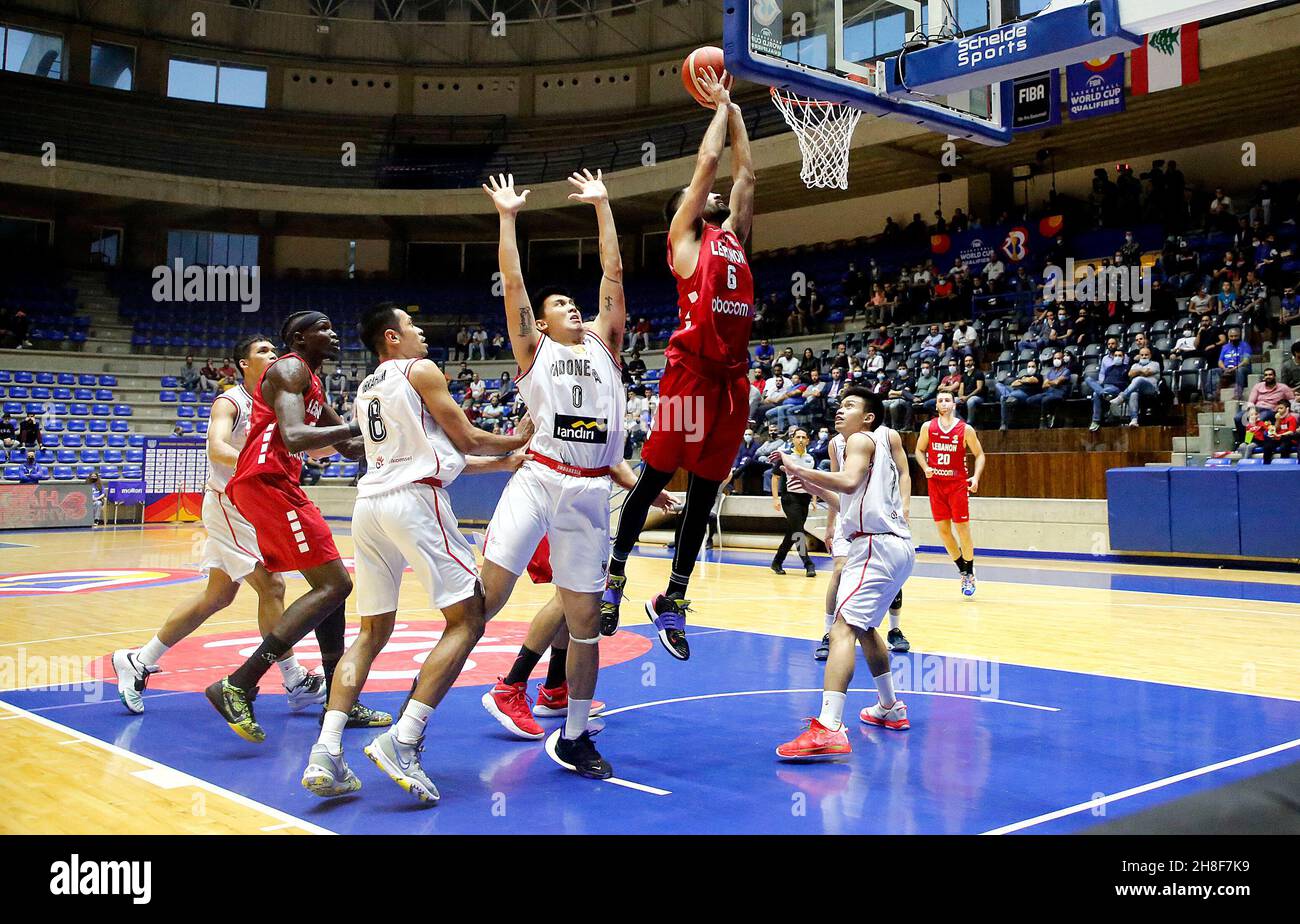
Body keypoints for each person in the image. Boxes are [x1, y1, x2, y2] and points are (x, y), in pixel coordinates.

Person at [300, 303, 535, 800]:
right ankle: (403, 741)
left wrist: (504, 462)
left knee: (371, 632)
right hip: (414, 502)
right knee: (468, 618)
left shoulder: (367, 388)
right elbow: (467, 436)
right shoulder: (421, 369)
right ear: (391, 336)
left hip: (370, 505)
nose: (421, 331)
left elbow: (438, 454)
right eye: (412, 325)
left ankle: (326, 750)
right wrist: (520, 438)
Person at [602, 67, 754, 661]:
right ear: (685, 214)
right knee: (656, 478)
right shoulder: (684, 240)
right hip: (691, 372)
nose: (714, 199)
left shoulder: (736, 237)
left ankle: (674, 597)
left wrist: (735, 109)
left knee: (707, 493)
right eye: (703, 201)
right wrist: (716, 107)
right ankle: (615, 576)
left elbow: (744, 172)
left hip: (733, 382)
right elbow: (709, 168)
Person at [479, 167, 627, 779]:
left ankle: (572, 735)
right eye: (560, 304)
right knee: (484, 600)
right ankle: (423, 705)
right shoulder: (535, 350)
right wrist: (508, 218)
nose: (573, 308)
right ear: (541, 323)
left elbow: (612, 275)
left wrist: (602, 206)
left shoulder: (605, 345)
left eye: (575, 302)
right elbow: (513, 283)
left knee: (586, 622)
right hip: (539, 479)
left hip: (591, 492)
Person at [111, 337, 327, 716]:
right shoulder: (232, 401)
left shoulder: (282, 399)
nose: (273, 356)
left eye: (275, 351)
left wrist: (348, 436)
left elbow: (314, 449)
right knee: (272, 584)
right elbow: (216, 447)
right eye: (262, 352)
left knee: (217, 596)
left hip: (259, 505)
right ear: (243, 364)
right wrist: (262, 462)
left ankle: (138, 660)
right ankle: (294, 679)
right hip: (231, 502)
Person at [204, 312, 372, 744]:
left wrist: (394, 429)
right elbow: (296, 436)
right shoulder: (290, 367)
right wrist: (364, 423)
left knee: (333, 585)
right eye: (324, 327)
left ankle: (339, 699)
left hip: (280, 484)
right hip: (264, 481)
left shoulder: (313, 381)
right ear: (299, 338)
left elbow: (350, 447)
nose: (334, 333)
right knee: (334, 586)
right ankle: (239, 682)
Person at [773, 389, 916, 758]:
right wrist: (810, 485)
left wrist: (800, 467)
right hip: (896, 547)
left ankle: (830, 727)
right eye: (840, 405)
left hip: (875, 547)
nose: (841, 409)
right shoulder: (874, 447)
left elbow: (849, 482)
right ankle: (889, 707)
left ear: (869, 417)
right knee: (865, 628)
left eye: (850, 405)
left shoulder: (858, 440)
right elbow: (851, 498)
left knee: (841, 629)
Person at [916, 391, 986, 597]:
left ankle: (970, 571)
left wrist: (976, 477)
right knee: (944, 531)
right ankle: (962, 570)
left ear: (954, 404)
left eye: (947, 400)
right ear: (936, 406)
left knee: (963, 529)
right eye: (940, 401)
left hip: (957, 484)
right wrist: (925, 467)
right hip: (936, 484)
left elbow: (980, 455)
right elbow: (919, 451)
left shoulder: (965, 429)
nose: (944, 403)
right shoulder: (928, 427)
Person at [770, 428, 817, 577]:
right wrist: (776, 498)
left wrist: (814, 498)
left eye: (804, 437)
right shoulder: (785, 456)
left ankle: (777, 562)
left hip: (805, 499)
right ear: (793, 439)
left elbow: (813, 480)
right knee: (799, 532)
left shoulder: (811, 458)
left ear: (808, 440)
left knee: (792, 532)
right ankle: (808, 563)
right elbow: (775, 477)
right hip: (790, 499)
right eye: (798, 437)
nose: (801, 440)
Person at [997, 360, 1043, 431]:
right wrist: (1024, 380)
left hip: (1026, 394)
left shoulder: (1039, 376)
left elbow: (1032, 380)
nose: (1031, 368)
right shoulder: (1025, 376)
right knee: (998, 385)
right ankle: (1010, 397)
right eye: (1029, 366)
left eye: (1033, 366)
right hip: (1016, 391)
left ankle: (1004, 424)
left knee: (1003, 397)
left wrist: (1022, 381)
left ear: (1036, 368)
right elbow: (1013, 384)